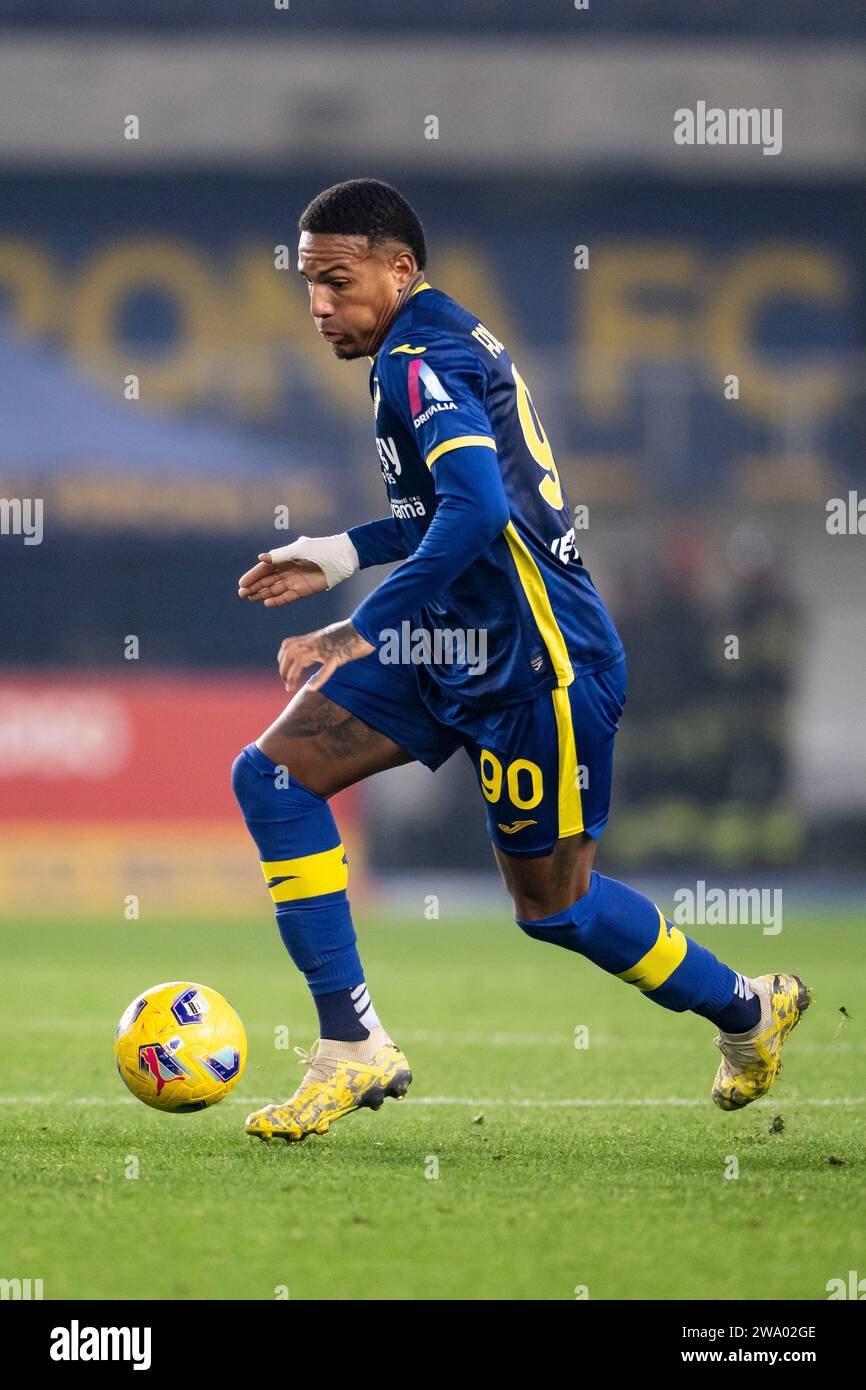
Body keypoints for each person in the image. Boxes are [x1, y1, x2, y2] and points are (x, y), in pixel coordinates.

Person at [231, 178, 809, 1143]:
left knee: (554, 907)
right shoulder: (433, 341)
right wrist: (338, 551)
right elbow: (444, 508)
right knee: (274, 779)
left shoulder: (419, 360)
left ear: (398, 268)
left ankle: (747, 1008)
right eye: (309, 285)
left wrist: (355, 625)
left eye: (338, 280)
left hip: (540, 664)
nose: (320, 304)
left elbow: (482, 512)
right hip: (449, 642)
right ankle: (352, 1044)